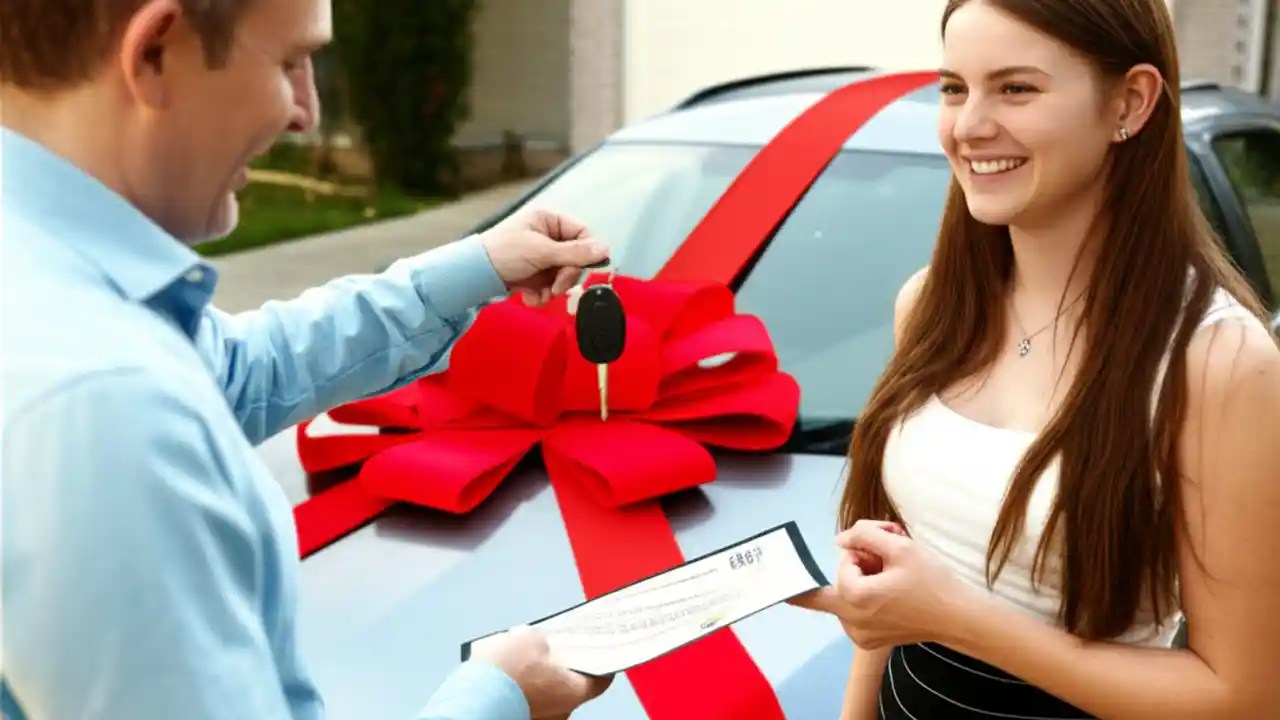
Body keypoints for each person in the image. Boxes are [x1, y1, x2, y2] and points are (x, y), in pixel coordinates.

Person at [0, 1, 612, 718]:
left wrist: (475, 269)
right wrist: (497, 699)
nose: (307, 113)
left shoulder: (50, 279)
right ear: (156, 54)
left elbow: (233, 372)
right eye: (292, 62)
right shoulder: (106, 411)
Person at [788, 0, 1280, 718]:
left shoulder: (1218, 359)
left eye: (1016, 88)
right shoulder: (928, 307)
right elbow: (891, 597)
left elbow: (1245, 698)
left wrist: (951, 617)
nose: (969, 125)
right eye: (954, 87)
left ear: (1131, 101)